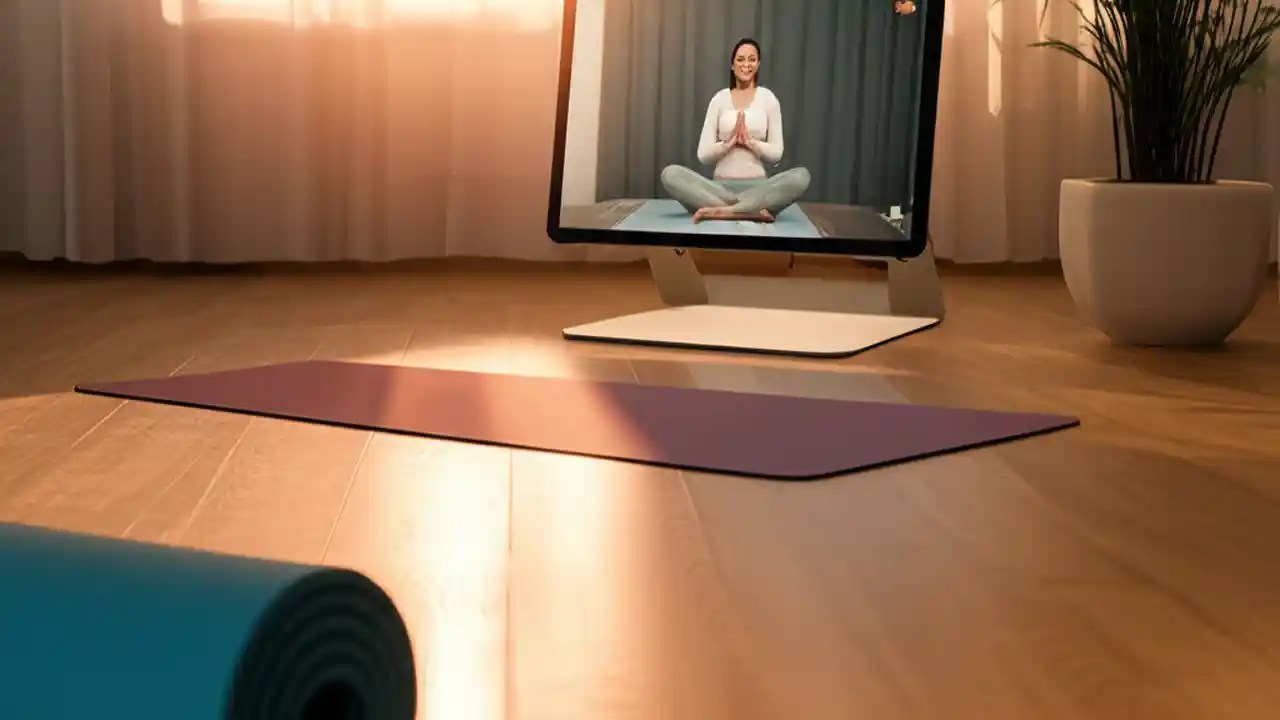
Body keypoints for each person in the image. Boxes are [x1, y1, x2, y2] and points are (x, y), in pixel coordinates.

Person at [660, 38, 810, 223]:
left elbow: (776, 154)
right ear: (732, 65)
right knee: (671, 174)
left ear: (758, 64)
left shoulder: (768, 99)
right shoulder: (719, 99)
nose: (746, 64)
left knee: (801, 176)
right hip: (718, 189)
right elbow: (703, 155)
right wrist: (727, 144)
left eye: (752, 59)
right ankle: (746, 211)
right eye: (740, 59)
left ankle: (722, 212)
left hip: (759, 190)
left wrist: (751, 143)